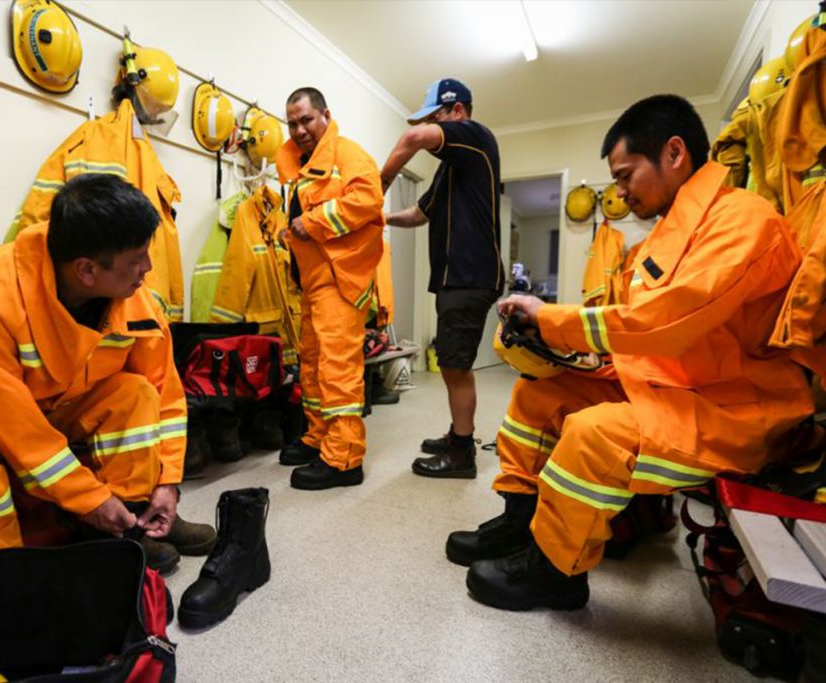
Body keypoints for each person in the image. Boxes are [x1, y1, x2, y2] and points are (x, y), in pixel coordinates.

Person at [449, 94, 815, 611]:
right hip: (671, 383)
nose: (619, 193)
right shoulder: (670, 233)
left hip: (734, 408)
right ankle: (521, 524)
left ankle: (557, 570)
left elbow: (667, 322)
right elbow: (640, 326)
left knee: (593, 434)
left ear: (674, 153)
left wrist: (552, 318)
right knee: (534, 398)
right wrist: (565, 352)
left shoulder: (743, 222)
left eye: (624, 176)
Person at [0, 174, 212, 572]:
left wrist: (167, 483)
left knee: (135, 394)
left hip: (49, 405)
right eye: (137, 258)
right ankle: (3, 579)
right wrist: (89, 500)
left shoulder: (135, 299)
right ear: (87, 270)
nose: (148, 268)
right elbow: (13, 423)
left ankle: (131, 524)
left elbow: (165, 394)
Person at [381, 78, 504, 479]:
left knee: (455, 365)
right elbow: (420, 214)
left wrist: (378, 185)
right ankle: (457, 436)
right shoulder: (452, 168)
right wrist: (379, 218)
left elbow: (414, 136)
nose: (435, 125)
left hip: (470, 275)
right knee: (454, 361)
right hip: (457, 278)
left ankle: (462, 454)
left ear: (458, 112)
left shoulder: (476, 137)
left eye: (438, 116)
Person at [274, 87, 385, 490]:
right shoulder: (300, 165)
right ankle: (320, 437)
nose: (299, 129)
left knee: (338, 369)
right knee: (315, 365)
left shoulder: (347, 153)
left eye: (306, 119)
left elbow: (369, 199)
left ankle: (344, 459)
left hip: (339, 279)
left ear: (325, 115)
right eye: (292, 123)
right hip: (313, 282)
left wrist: (315, 222)